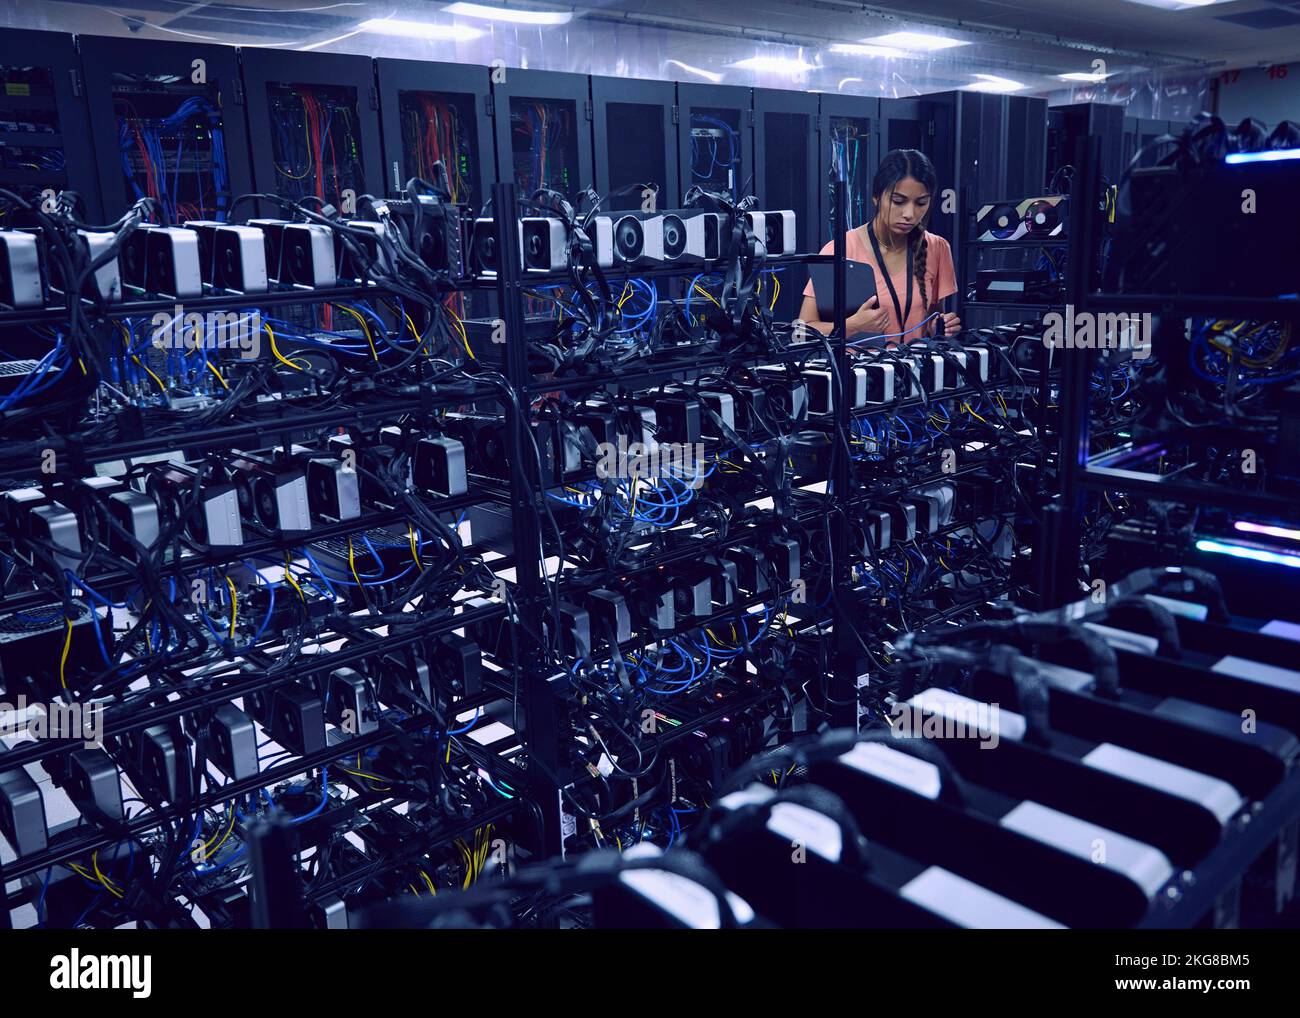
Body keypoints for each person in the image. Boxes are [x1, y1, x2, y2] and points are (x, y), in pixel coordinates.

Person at [800, 148, 960, 342]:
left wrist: (938, 328)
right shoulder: (841, 249)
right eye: (898, 201)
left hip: (913, 369)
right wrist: (853, 326)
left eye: (921, 203)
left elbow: (932, 319)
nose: (910, 214)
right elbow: (802, 333)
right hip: (856, 370)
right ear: (876, 196)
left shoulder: (938, 248)